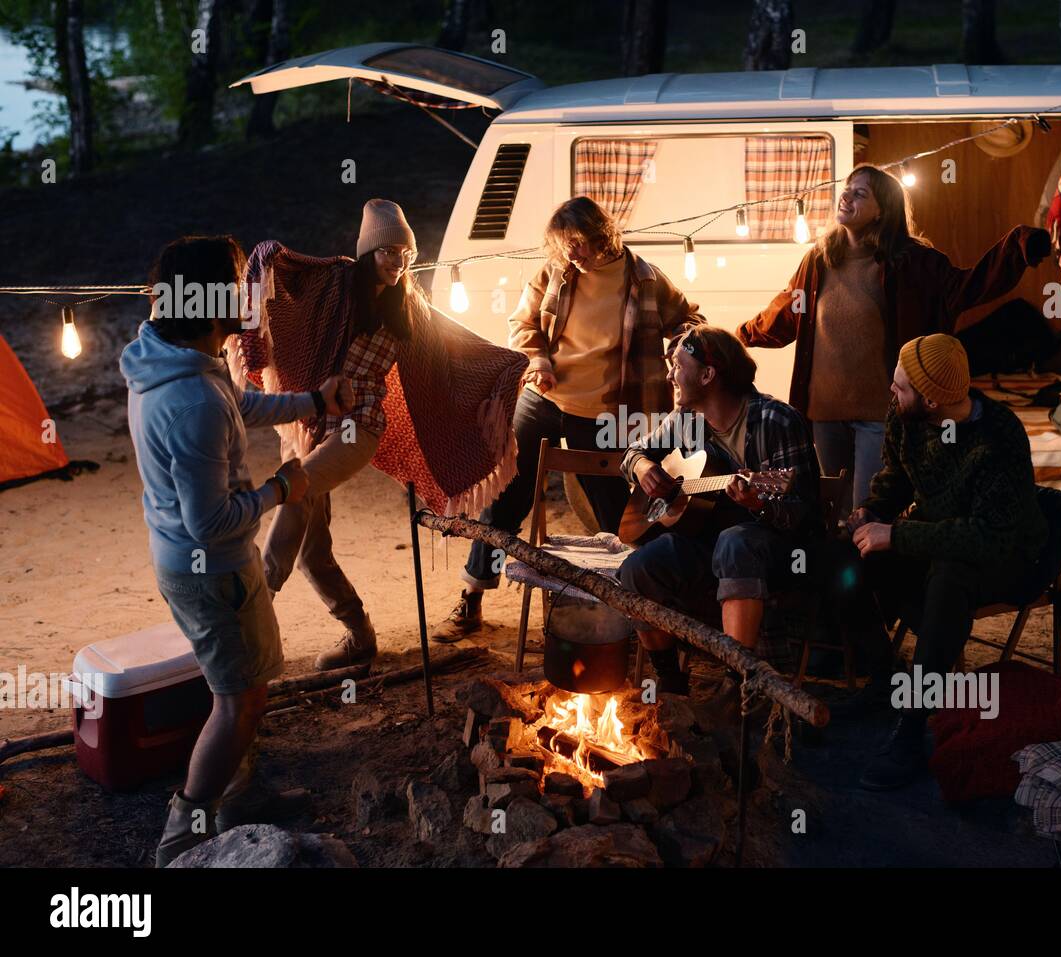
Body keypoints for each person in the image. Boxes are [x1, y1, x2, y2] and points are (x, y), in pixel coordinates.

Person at [121, 235, 352, 866]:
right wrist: (283, 487)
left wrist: (311, 401)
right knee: (237, 702)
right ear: (213, 301)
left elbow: (238, 402)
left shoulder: (172, 359)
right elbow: (211, 523)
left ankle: (238, 800)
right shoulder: (190, 401)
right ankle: (183, 834)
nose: (249, 290)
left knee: (240, 690)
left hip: (196, 565)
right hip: (210, 572)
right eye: (236, 280)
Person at [431, 196, 705, 640]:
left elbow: (691, 319)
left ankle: (639, 609)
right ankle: (473, 597)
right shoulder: (555, 272)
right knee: (505, 498)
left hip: (604, 414)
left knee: (615, 516)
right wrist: (537, 357)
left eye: (576, 244)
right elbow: (522, 324)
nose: (570, 254)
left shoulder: (646, 279)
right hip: (544, 398)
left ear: (602, 236)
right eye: (562, 246)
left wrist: (682, 344)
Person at [737, 163, 1051, 514]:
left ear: (881, 210)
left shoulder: (913, 263)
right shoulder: (818, 261)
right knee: (832, 509)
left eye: (860, 193)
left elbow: (967, 287)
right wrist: (737, 337)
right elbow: (785, 314)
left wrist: (1017, 248)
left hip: (879, 415)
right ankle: (835, 569)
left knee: (866, 509)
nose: (846, 196)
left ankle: (873, 567)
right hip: (823, 414)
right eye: (847, 188)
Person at [848, 334, 1048, 791]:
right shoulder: (908, 415)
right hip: (937, 540)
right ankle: (884, 680)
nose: (891, 394)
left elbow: (987, 537)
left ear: (933, 399)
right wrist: (872, 513)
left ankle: (913, 725)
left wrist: (896, 535)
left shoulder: (999, 438)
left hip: (1006, 556)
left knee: (950, 579)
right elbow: (897, 477)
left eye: (900, 388)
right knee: (846, 558)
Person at [244, 199, 416, 671]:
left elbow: (449, 355)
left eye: (405, 254)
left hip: (357, 428)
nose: (397, 263)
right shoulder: (340, 283)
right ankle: (359, 634)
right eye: (388, 252)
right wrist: (266, 256)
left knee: (296, 488)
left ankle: (255, 607)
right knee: (313, 553)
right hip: (308, 423)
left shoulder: (407, 306)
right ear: (367, 252)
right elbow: (292, 273)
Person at [617, 326, 822, 694]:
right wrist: (644, 469)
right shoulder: (685, 421)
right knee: (637, 568)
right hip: (711, 549)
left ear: (708, 375)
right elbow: (632, 453)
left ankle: (737, 681)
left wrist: (757, 502)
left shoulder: (777, 421)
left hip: (781, 555)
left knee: (735, 541)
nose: (669, 375)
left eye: (678, 365)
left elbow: (801, 515)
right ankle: (671, 680)